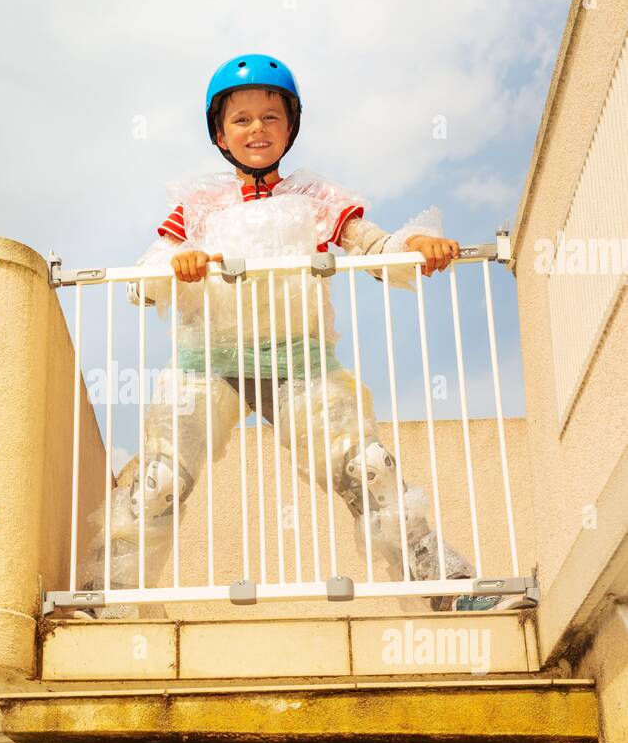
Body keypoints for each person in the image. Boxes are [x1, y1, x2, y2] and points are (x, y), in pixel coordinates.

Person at [74, 53, 526, 617]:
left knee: (370, 467)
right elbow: (143, 279)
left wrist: (417, 245)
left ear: (290, 127)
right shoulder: (196, 205)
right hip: (207, 364)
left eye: (271, 116)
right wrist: (176, 263)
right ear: (219, 133)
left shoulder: (315, 197)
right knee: (160, 475)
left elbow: (374, 247)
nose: (256, 129)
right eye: (241, 119)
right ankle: (106, 597)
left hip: (300, 363)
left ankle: (446, 584)